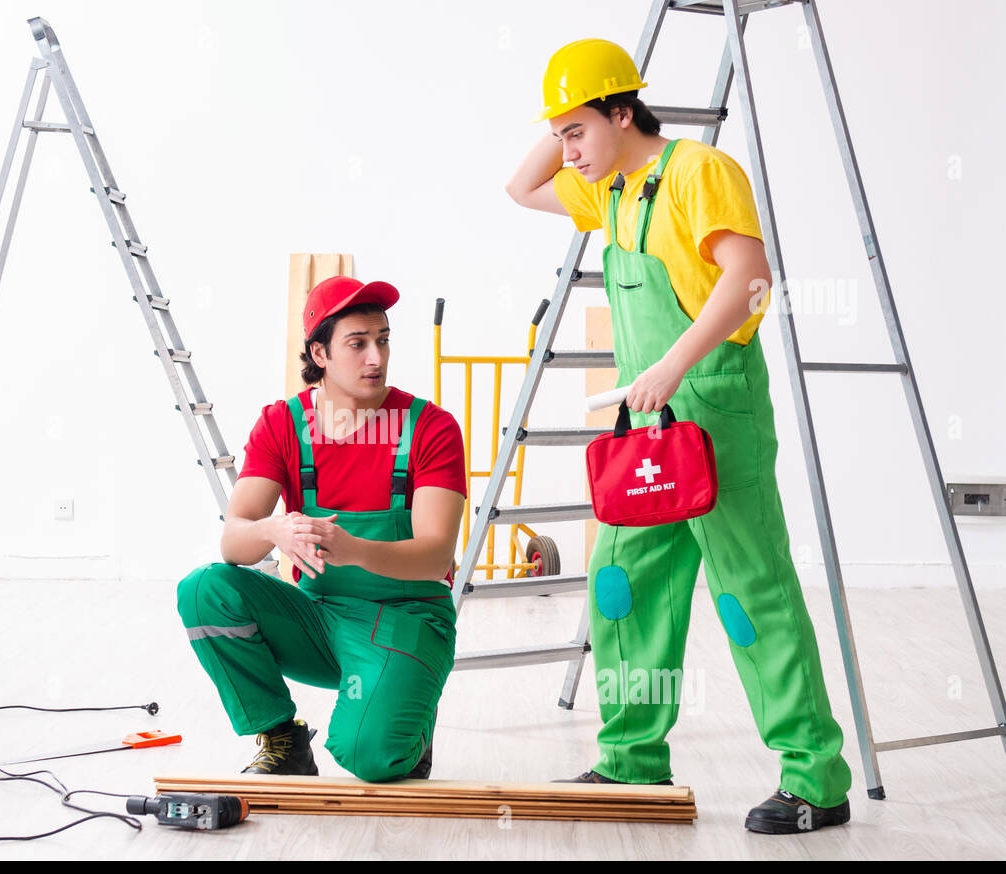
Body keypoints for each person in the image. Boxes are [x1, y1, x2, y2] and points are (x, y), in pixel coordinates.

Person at [505, 38, 853, 833]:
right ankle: (632, 765)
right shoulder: (614, 194)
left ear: (624, 112)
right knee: (624, 587)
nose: (567, 153)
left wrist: (672, 362)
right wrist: (568, 117)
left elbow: (751, 277)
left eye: (579, 133)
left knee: (747, 591)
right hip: (650, 419)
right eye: (561, 136)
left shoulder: (699, 173)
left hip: (713, 406)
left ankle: (815, 778)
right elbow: (520, 187)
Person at [175, 275, 467, 781]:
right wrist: (275, 530)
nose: (376, 357)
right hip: (320, 619)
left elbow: (436, 556)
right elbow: (234, 541)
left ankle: (412, 711)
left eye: (383, 340)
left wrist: (351, 548)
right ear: (321, 353)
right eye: (358, 344)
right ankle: (284, 739)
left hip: (408, 619)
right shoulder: (282, 424)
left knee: (372, 759)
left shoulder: (432, 428)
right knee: (205, 590)